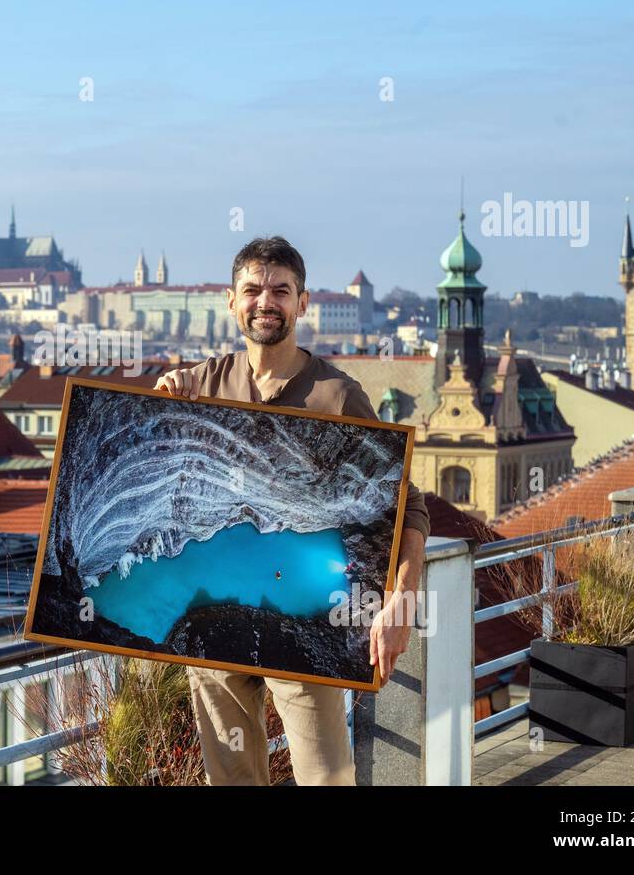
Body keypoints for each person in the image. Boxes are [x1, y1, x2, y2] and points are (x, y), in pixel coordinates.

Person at [154, 236, 430, 786]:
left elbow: (406, 503)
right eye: (252, 290)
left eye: (280, 291)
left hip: (304, 621)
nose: (265, 302)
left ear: (303, 303)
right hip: (215, 620)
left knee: (326, 777)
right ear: (232, 303)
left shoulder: (335, 394)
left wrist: (401, 599)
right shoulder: (203, 383)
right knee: (231, 778)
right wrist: (162, 393)